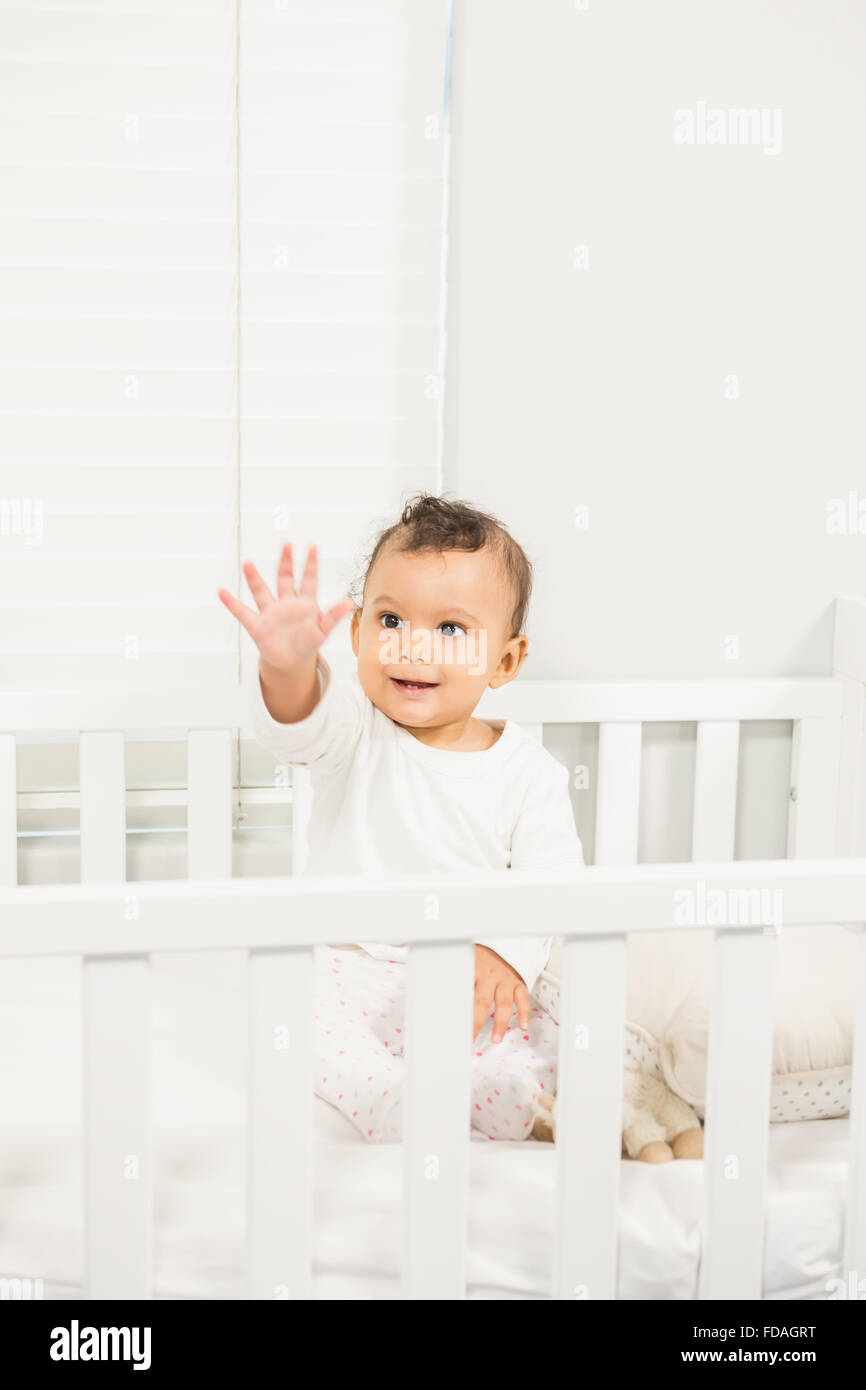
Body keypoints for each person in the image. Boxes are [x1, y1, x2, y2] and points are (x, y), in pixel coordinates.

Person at [218, 493, 583, 1141]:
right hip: (342, 962)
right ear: (357, 633)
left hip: (458, 972)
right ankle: (387, 1097)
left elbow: (552, 886)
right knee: (280, 986)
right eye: (391, 621)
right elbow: (296, 728)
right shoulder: (355, 729)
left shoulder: (530, 774)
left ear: (504, 661)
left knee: (553, 1015)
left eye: (450, 630)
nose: (414, 647)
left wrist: (504, 954)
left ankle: (504, 1093)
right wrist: (288, 665)